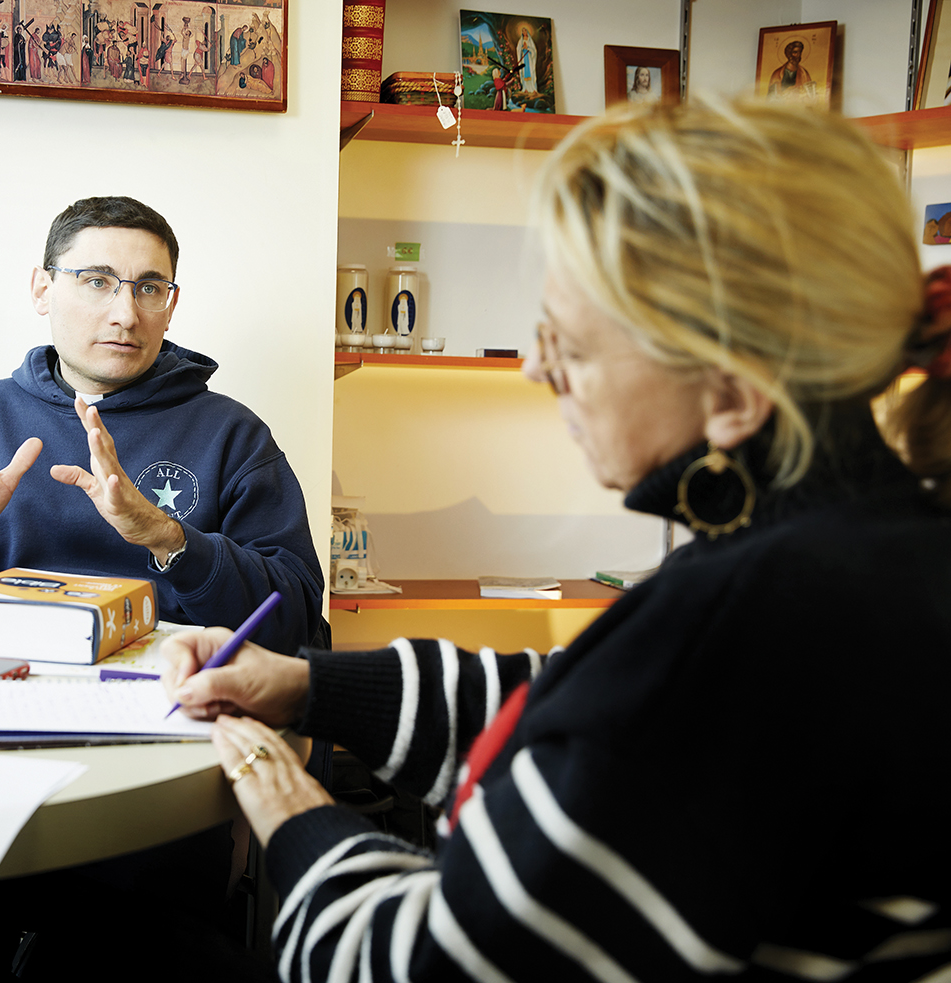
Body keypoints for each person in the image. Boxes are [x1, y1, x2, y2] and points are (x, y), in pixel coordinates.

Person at [164, 99, 951, 982]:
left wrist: (291, 806)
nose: (538, 369)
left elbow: (426, 968)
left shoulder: (750, 621)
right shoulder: (866, 548)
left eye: (568, 343)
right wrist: (309, 687)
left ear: (732, 395)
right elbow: (582, 710)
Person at [0, 195, 327, 656]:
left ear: (170, 306)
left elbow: (297, 619)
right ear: (42, 290)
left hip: (171, 694)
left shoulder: (232, 435)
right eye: (96, 281)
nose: (126, 315)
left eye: (149, 288)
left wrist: (170, 539)